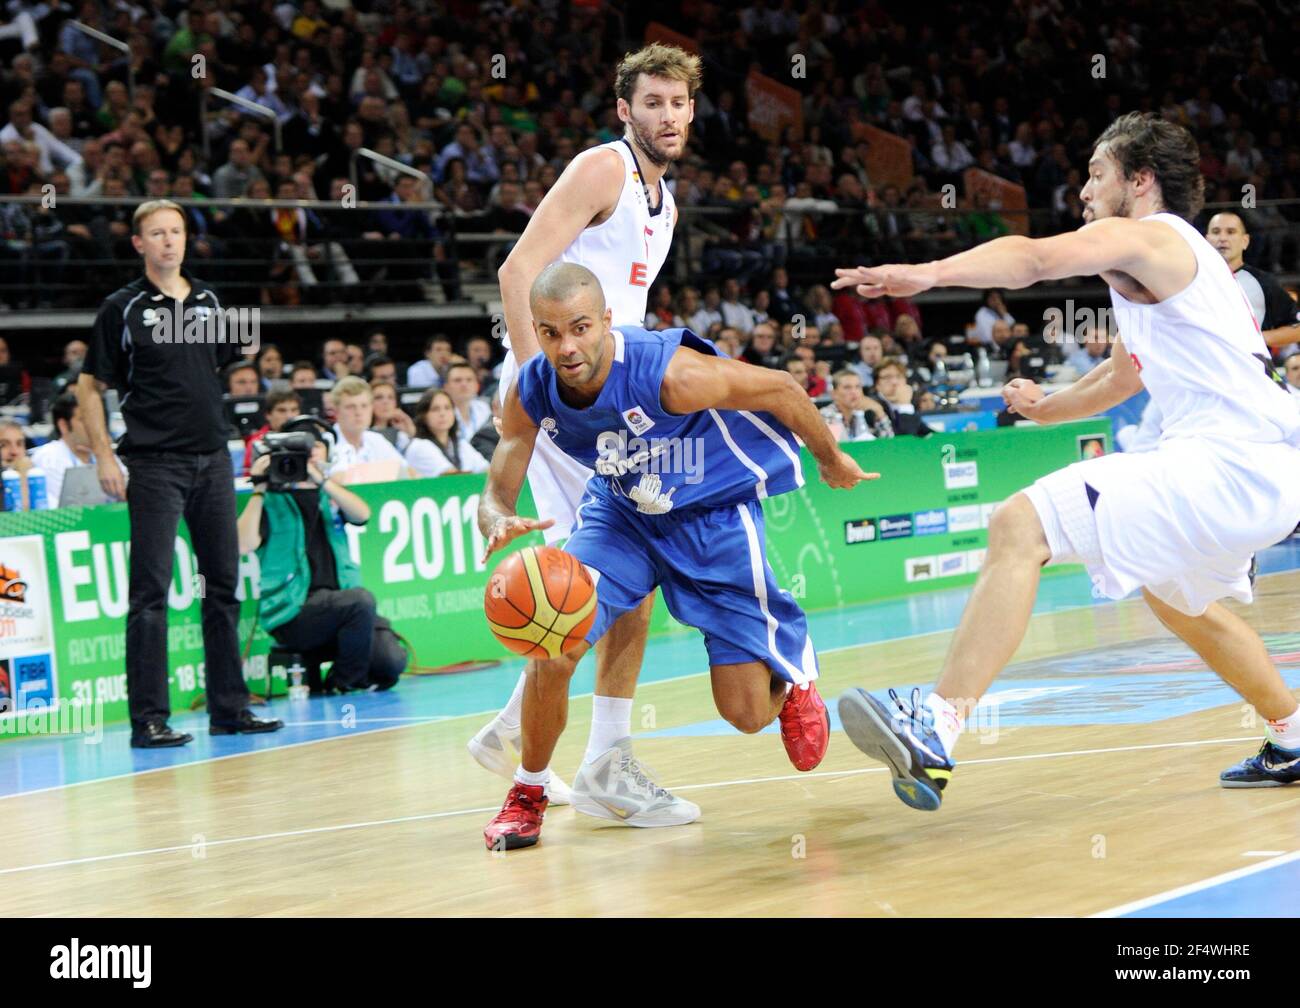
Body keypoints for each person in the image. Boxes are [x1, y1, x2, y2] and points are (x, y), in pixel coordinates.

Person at [831, 112, 1300, 809]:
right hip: (1261, 470)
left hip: (1229, 465)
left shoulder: (1152, 238)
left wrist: (926, 273)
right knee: (1180, 600)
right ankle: (1291, 735)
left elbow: (1035, 260)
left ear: (1140, 182)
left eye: (1097, 174)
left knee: (1020, 525)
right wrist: (1048, 406)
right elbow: (1120, 379)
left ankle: (936, 725)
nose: (1083, 190)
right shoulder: (1161, 273)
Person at [478, 263, 875, 849]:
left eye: (581, 328)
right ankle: (528, 792)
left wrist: (831, 458)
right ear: (535, 332)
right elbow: (502, 472)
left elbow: (783, 389)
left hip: (710, 517)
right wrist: (495, 516)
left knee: (742, 712)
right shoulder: (533, 388)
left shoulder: (669, 374)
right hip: (623, 518)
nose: (567, 346)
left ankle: (794, 683)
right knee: (555, 640)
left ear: (606, 321)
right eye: (552, 332)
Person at [468, 44, 695, 820]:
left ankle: (514, 733)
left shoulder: (667, 202)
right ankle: (600, 764)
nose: (667, 115)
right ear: (625, 110)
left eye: (678, 103)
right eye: (653, 102)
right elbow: (516, 272)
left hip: (604, 396)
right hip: (564, 393)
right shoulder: (604, 169)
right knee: (616, 575)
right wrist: (547, 392)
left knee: (595, 583)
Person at [78, 198, 283, 748]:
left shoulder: (211, 301)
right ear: (139, 244)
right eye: (157, 233)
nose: (169, 241)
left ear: (186, 240)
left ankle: (230, 708)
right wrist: (103, 455)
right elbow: (88, 386)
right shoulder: (120, 307)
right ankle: (148, 719)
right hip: (153, 464)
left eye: (177, 231)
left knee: (223, 586)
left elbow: (208, 372)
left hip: (212, 459)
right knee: (150, 593)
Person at [237, 425, 407, 692]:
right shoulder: (271, 501)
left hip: (343, 609)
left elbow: (362, 514)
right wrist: (259, 488)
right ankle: (343, 684)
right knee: (361, 600)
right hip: (293, 612)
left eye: (313, 448)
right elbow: (243, 544)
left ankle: (335, 678)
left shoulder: (329, 496)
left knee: (390, 662)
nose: (305, 457)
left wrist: (322, 481)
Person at [1205, 211, 1300, 359]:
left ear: (1245, 241)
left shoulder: (1263, 283)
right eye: (1216, 232)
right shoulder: (1190, 280)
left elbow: (1297, 328)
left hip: (1249, 372)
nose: (1222, 238)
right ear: (1206, 240)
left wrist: (1257, 339)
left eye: (1231, 232)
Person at [29, 391, 125, 505]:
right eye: (84, 420)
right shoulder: (47, 457)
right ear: (63, 425)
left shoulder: (106, 455)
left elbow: (126, 494)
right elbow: (61, 508)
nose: (93, 425)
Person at [328, 376, 408, 476]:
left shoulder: (376, 439)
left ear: (371, 408)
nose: (358, 412)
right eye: (350, 407)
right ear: (336, 412)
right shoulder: (327, 442)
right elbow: (338, 481)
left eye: (364, 406)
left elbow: (408, 472)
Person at [405, 388, 489, 478]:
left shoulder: (461, 443)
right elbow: (451, 478)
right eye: (435, 409)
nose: (442, 413)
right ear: (423, 416)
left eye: (447, 408)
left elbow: (488, 470)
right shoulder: (419, 446)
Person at [821, 369, 891, 441]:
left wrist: (879, 412)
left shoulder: (866, 413)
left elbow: (888, 442)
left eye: (857, 387)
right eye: (847, 387)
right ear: (834, 394)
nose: (854, 392)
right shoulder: (826, 415)